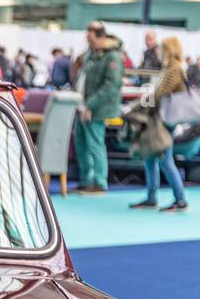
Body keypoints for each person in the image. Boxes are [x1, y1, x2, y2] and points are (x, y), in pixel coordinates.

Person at [129, 36, 189, 213]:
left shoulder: (174, 70)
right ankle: (151, 197)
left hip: (163, 121)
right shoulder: (170, 69)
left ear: (168, 50)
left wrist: (137, 106)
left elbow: (158, 95)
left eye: (161, 48)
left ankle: (180, 200)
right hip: (159, 119)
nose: (157, 51)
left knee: (164, 160)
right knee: (150, 156)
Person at [75, 21, 123, 195]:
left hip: (97, 109)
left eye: (91, 38)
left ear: (101, 37)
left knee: (95, 145)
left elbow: (110, 87)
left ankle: (100, 182)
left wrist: (90, 105)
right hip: (82, 106)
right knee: (81, 144)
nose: (88, 42)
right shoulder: (92, 54)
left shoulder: (112, 57)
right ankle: (86, 180)